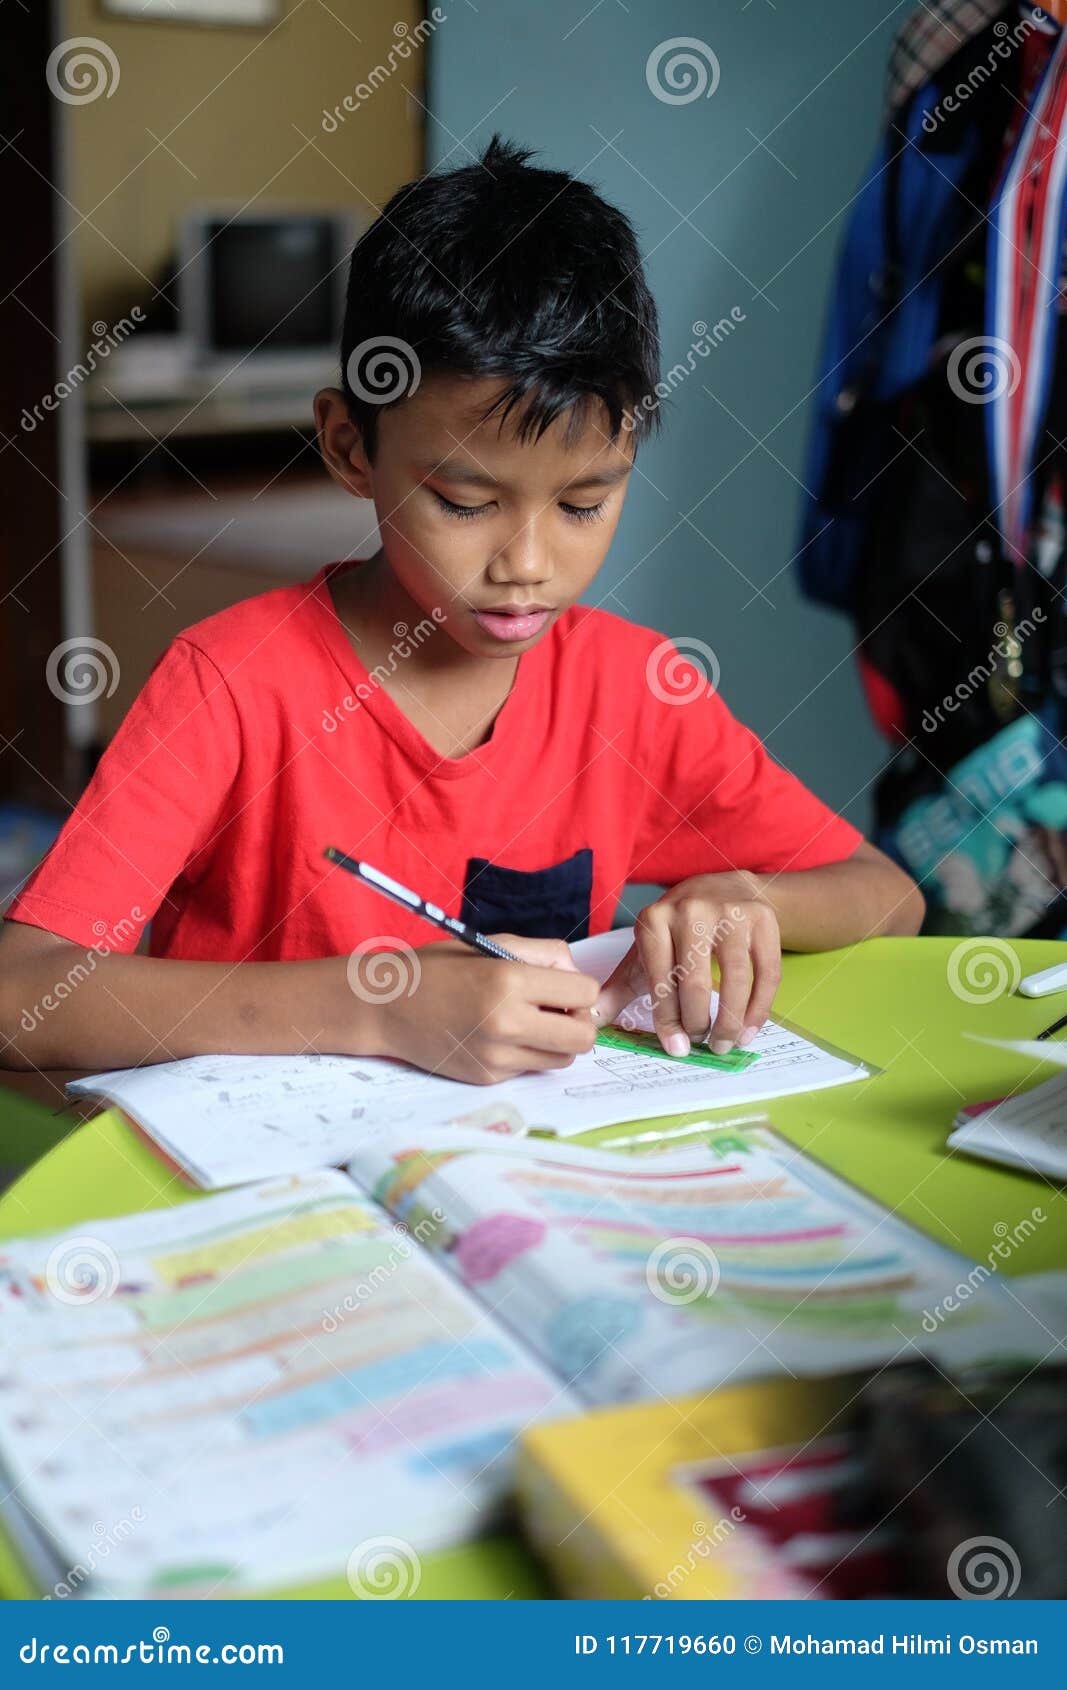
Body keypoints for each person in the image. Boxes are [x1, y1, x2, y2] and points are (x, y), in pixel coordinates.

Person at [0, 138, 923, 1085]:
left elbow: (887, 898)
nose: (524, 566)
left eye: (582, 504)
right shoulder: (233, 684)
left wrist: (741, 895)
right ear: (349, 446)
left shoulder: (634, 690)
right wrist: (374, 1004)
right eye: (465, 503)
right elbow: (21, 995)